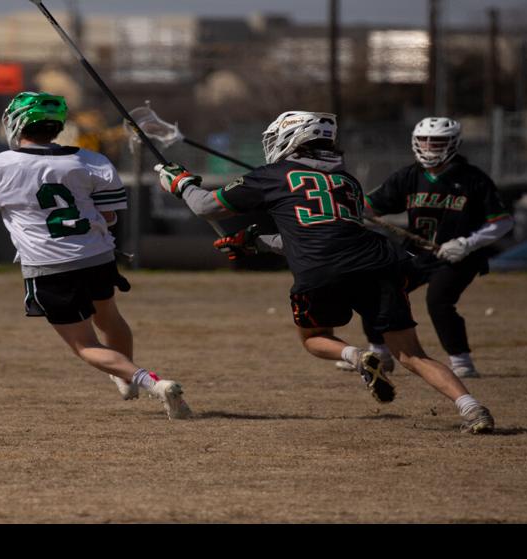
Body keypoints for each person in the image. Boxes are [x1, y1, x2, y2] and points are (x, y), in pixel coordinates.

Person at [156, 110, 493, 434]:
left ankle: (359, 357)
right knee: (411, 354)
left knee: (315, 338)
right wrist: (256, 242)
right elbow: (323, 232)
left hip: (320, 269)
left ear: (290, 138)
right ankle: (471, 407)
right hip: (376, 263)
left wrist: (182, 183)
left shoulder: (270, 176)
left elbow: (204, 207)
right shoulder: (348, 182)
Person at [0, 91, 192, 420]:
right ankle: (125, 378)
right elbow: (109, 217)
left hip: (49, 267)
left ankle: (151, 382)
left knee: (85, 345)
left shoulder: (2, 164)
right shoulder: (92, 160)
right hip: (96, 257)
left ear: (16, 124)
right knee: (110, 320)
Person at [335, 117, 514, 379]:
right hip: (418, 253)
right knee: (375, 289)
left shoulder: (473, 179)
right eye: (424, 140)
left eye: (437, 141)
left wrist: (466, 243)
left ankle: (461, 360)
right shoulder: (409, 176)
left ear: (453, 143)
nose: (430, 146)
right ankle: (380, 354)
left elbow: (503, 222)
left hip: (459, 257)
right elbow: (370, 206)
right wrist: (344, 204)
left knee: (439, 301)